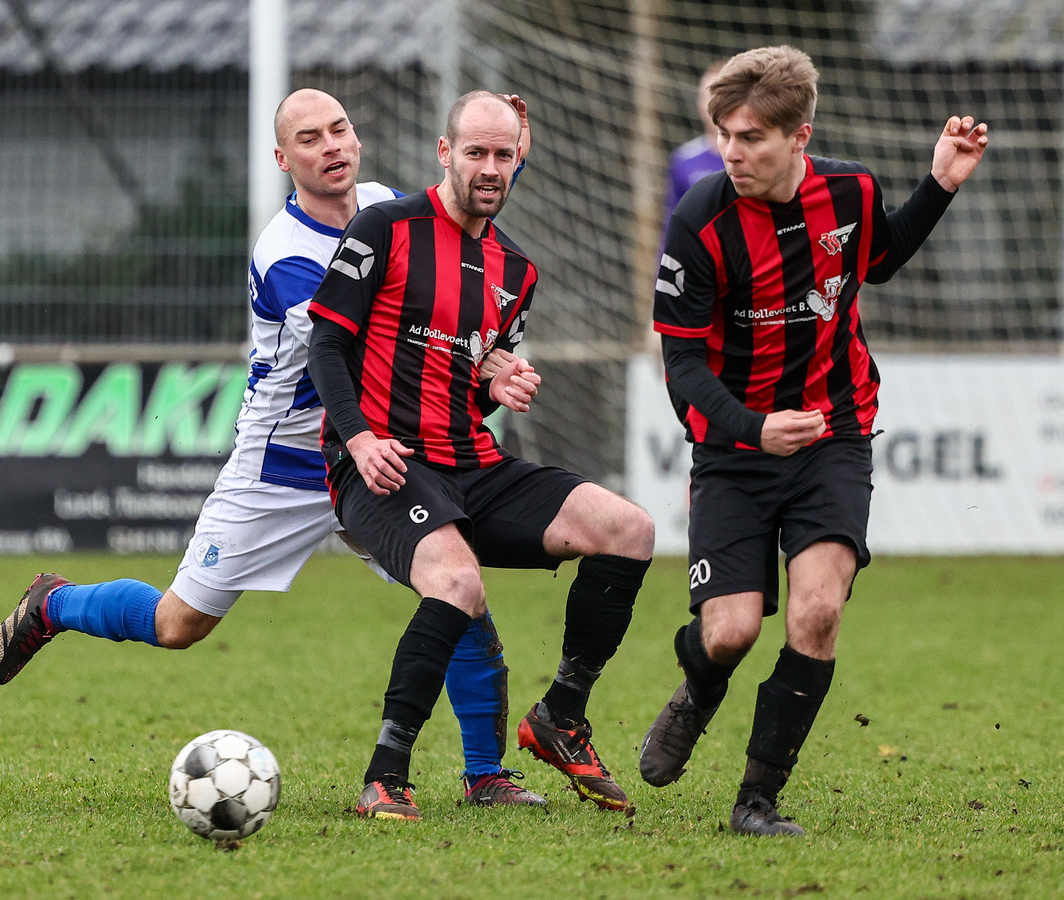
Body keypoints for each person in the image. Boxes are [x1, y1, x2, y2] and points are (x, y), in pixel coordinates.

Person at [0, 88, 551, 808]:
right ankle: (55, 606)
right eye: (309, 139)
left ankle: (485, 775)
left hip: (373, 457)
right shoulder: (285, 253)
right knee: (178, 623)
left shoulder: (384, 208)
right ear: (284, 160)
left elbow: (468, 209)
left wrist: (509, 154)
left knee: (460, 590)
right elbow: (365, 338)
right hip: (284, 465)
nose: (332, 146)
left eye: (340, 129)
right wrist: (480, 361)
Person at [640, 46, 989, 837]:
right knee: (729, 631)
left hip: (833, 436)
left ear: (800, 135)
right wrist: (753, 427)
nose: (733, 152)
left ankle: (756, 801)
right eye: (725, 134)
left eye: (752, 137)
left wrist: (938, 183)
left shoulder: (850, 189)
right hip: (733, 451)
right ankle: (697, 691)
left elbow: (882, 258)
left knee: (817, 615)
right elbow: (682, 366)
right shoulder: (699, 217)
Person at [306, 90, 655, 821]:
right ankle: (385, 774)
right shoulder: (386, 226)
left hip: (473, 462)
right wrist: (359, 438)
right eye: (475, 153)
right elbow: (327, 345)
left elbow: (473, 381)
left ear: (516, 160)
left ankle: (561, 715)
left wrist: (503, 380)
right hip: (385, 464)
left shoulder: (515, 269)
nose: (489, 168)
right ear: (445, 153)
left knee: (628, 529)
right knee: (457, 581)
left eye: (503, 154)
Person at [661, 60, 727, 240]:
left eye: (720, 96)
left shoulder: (756, 159)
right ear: (699, 103)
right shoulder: (684, 160)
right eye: (708, 96)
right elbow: (672, 228)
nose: (712, 105)